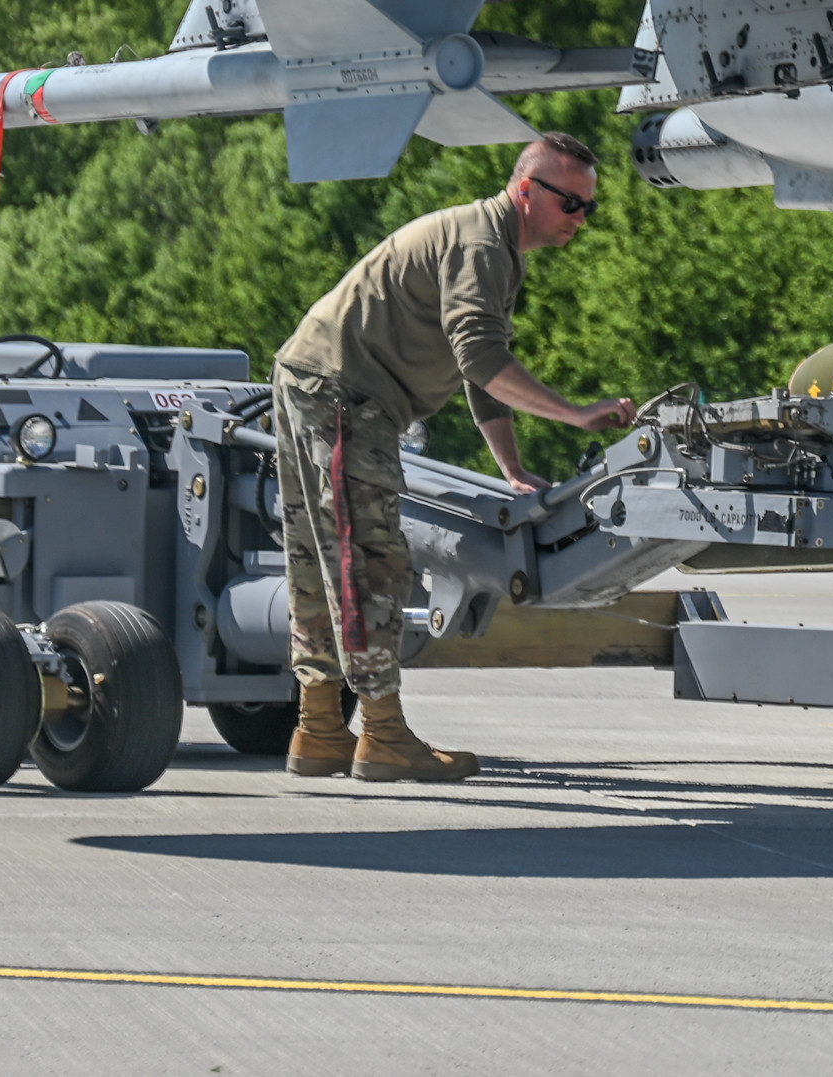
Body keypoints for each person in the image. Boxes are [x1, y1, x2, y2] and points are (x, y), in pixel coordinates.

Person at [272, 132, 636, 784]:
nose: (581, 219)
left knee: (319, 557)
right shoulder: (480, 247)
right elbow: (482, 360)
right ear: (527, 190)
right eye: (572, 203)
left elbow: (473, 371)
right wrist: (577, 413)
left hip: (315, 377)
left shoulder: (493, 246)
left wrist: (512, 467)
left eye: (588, 207)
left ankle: (319, 727)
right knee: (369, 560)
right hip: (346, 393)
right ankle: (380, 734)